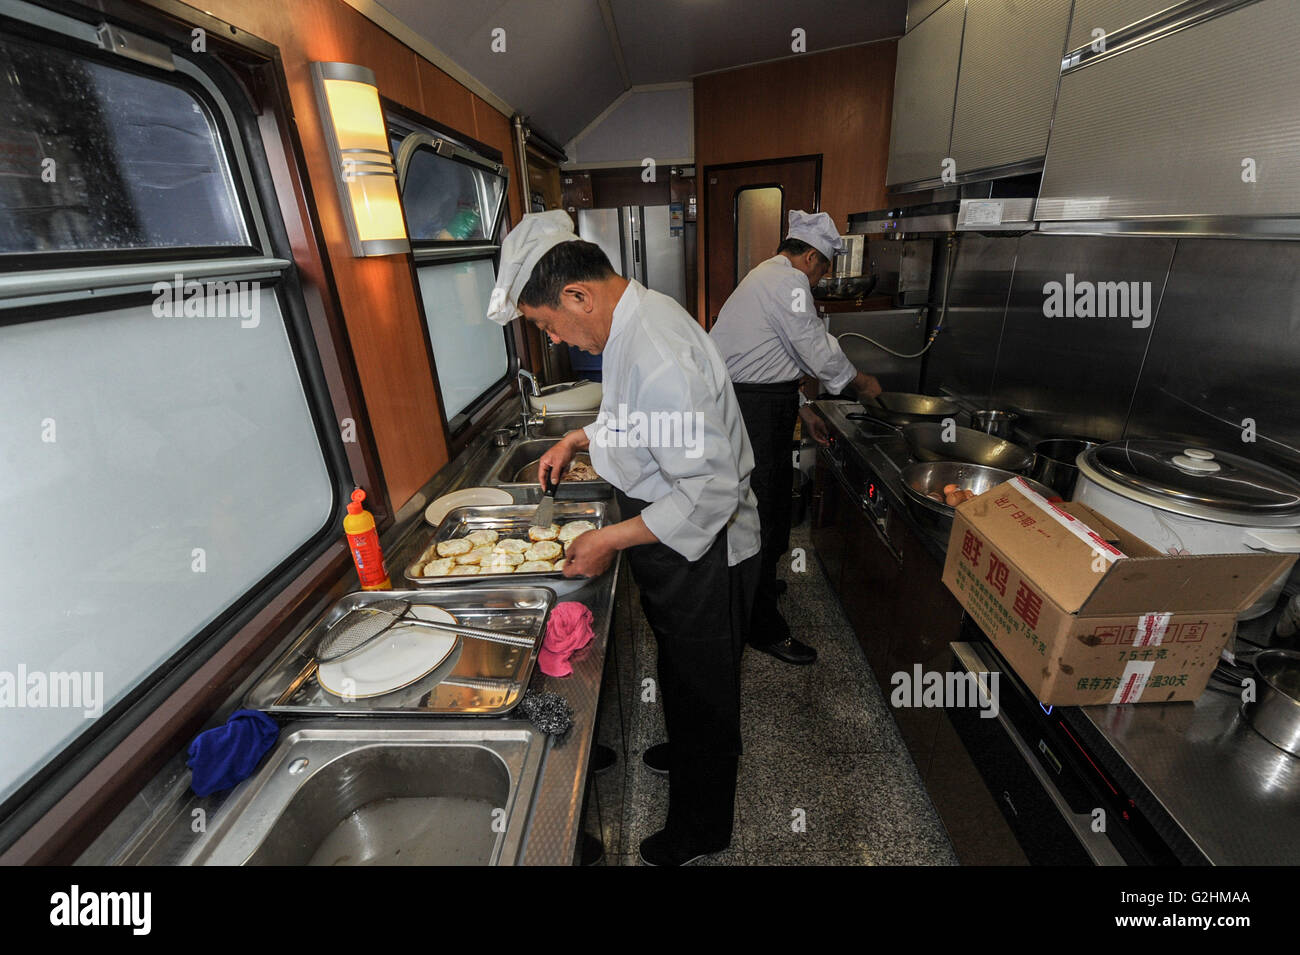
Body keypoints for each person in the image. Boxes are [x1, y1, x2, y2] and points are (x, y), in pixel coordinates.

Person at [486, 210, 760, 866]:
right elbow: (634, 416)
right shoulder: (633, 321)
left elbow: (708, 490)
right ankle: (688, 748)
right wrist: (580, 436)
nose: (554, 336)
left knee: (705, 681)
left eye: (549, 323)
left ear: (577, 295)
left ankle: (703, 825)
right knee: (680, 659)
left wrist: (610, 538)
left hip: (707, 541)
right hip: (671, 528)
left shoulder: (657, 351)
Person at [710, 210, 882, 666]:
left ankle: (759, 585)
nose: (822, 277)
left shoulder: (766, 276)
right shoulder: (788, 284)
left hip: (758, 404)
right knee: (764, 510)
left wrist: (804, 411)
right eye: (823, 268)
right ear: (809, 257)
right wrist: (860, 382)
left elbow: (774, 358)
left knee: (767, 504)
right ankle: (760, 624)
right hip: (754, 410)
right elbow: (813, 347)